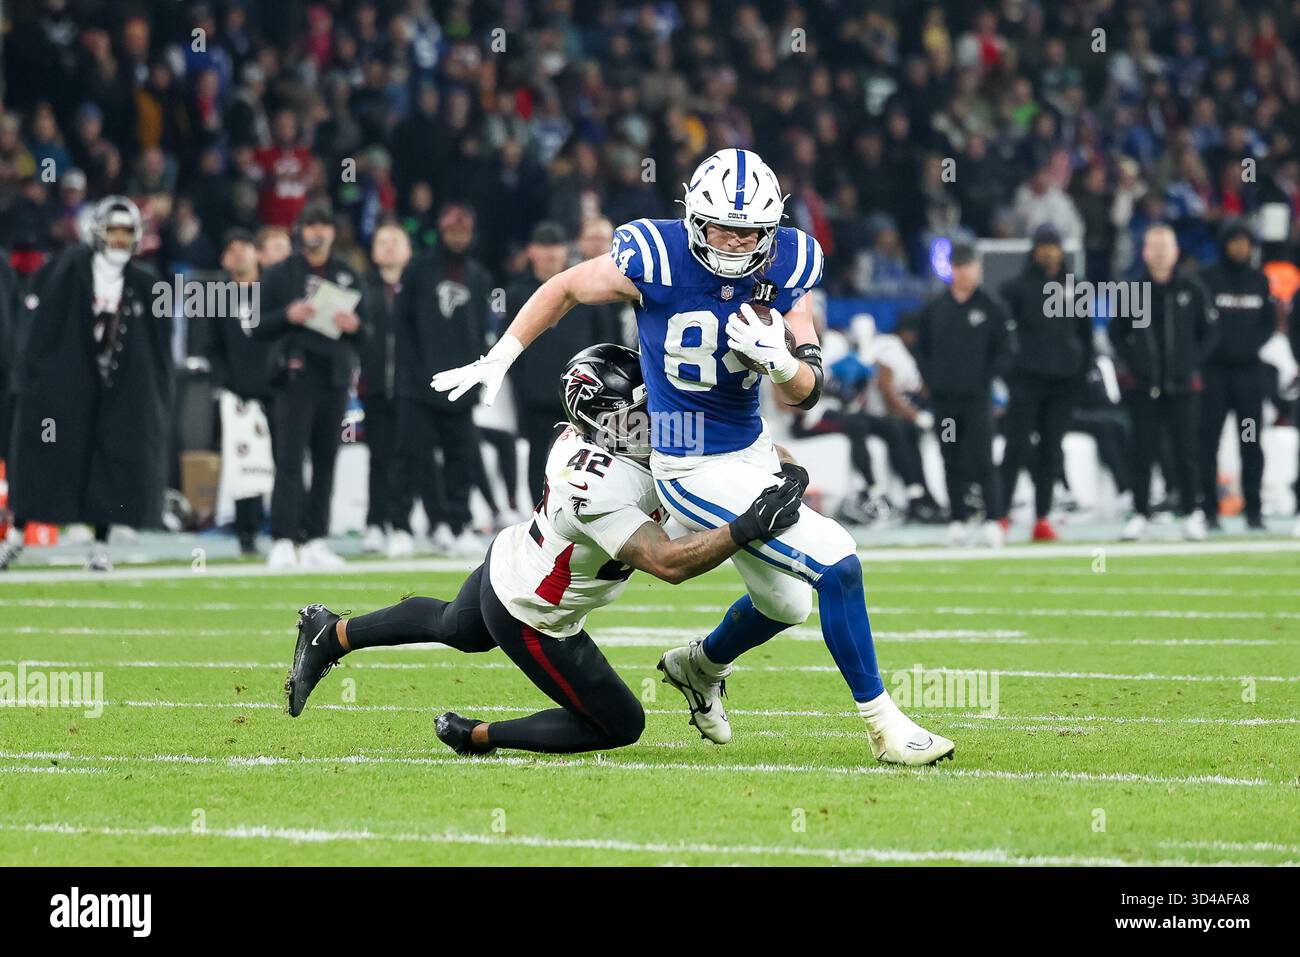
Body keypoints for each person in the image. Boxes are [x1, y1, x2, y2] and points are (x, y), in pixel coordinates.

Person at [433, 149, 954, 766]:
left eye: (749, 232)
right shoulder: (655, 254)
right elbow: (566, 286)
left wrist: (782, 363)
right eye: (722, 227)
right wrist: (503, 352)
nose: (735, 243)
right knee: (838, 561)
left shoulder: (791, 259)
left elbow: (806, 393)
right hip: (690, 464)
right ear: (694, 218)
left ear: (772, 228)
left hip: (749, 448)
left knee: (786, 604)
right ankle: (886, 727)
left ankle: (699, 665)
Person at [285, 344, 804, 756]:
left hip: (511, 559)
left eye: (651, 407)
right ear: (601, 419)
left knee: (455, 628)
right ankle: (477, 736)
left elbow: (737, 444)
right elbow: (667, 563)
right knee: (620, 724)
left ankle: (331, 633)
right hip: (533, 612)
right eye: (638, 413)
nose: (654, 419)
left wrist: (785, 466)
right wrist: (745, 527)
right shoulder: (594, 481)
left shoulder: (635, 433)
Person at [7, 197, 172, 571]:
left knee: (107, 465)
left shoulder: (145, 282)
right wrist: (34, 378)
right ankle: (15, 535)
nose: (119, 239)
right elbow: (39, 330)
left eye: (126, 232)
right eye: (113, 231)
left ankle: (100, 545)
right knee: (42, 456)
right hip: (66, 384)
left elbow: (158, 346)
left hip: (116, 386)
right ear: (98, 232)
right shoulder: (66, 269)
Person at [253, 200, 365, 568]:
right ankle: (284, 538)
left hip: (334, 377)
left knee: (325, 460)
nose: (317, 232)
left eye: (324, 225)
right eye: (311, 225)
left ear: (333, 232)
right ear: (299, 230)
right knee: (288, 458)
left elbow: (368, 331)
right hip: (294, 376)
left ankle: (315, 537)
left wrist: (355, 326)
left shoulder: (347, 274)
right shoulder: (280, 273)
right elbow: (257, 325)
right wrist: (287, 315)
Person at [392, 201, 494, 555]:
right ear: (441, 231)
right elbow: (402, 326)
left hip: (460, 386)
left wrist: (478, 377)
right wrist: (411, 375)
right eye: (452, 230)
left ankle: (456, 524)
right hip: (418, 385)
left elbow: (480, 333)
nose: (458, 237)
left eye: (464, 231)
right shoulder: (418, 270)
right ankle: (401, 526)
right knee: (411, 457)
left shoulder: (479, 277)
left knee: (461, 458)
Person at [1108, 224, 1218, 541]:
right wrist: (1133, 364)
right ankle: (1140, 512)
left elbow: (1210, 333)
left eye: (1165, 247)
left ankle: (1192, 512)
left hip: (1183, 387)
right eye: (1154, 247)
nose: (1159, 253)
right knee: (1142, 451)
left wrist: (1190, 363)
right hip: (1143, 387)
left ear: (1175, 252)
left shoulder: (1192, 289)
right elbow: (1117, 334)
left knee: (1186, 450)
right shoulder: (1132, 291)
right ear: (1144, 252)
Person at [997, 223, 1094, 541]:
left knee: (1052, 450)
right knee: (1016, 447)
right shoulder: (1015, 289)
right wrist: (1010, 372)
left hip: (1063, 383)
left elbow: (1086, 335)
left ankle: (1042, 517)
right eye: (1044, 246)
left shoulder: (1076, 288)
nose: (1050, 253)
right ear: (1034, 250)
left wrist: (1082, 374)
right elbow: (1002, 336)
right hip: (1026, 381)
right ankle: (1000, 515)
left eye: (1054, 246)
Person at [509, 221, 617, 502]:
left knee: (584, 458)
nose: (551, 253)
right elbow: (509, 346)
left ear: (565, 250)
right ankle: (539, 511)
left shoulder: (586, 289)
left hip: (582, 396)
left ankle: (581, 510)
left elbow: (605, 342)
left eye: (556, 246)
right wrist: (520, 391)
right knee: (537, 458)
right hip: (535, 395)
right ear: (531, 251)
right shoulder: (517, 293)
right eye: (544, 246)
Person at [914, 242, 1013, 548]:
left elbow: (1005, 351)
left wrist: (985, 379)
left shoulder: (991, 307)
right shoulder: (935, 309)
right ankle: (957, 519)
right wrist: (933, 380)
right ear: (952, 270)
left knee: (983, 457)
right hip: (945, 402)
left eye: (969, 266)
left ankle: (993, 519)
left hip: (977, 402)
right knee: (951, 456)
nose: (965, 272)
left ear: (977, 268)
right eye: (959, 266)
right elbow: (922, 350)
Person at [1197, 220, 1275, 531]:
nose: (1240, 248)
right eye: (1235, 242)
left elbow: (1269, 323)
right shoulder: (1207, 279)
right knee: (1208, 443)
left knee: (1250, 442)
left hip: (1247, 378)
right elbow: (1197, 324)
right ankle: (1209, 510)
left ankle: (1253, 510)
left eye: (1245, 243)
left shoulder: (1259, 280)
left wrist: (1249, 346)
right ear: (1224, 244)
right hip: (1214, 377)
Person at [206, 228, 274, 555]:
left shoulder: (273, 291)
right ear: (224, 259)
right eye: (231, 249)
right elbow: (211, 345)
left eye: (244, 247)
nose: (238, 254)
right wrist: (227, 383)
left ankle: (287, 528)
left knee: (282, 460)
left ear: (256, 252)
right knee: (243, 463)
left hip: (275, 390)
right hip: (237, 395)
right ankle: (246, 531)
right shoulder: (218, 297)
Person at [356, 222, 410, 555]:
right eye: (382, 241)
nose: (388, 246)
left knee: (406, 458)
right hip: (374, 387)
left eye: (395, 240)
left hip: (409, 388)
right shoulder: (363, 290)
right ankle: (375, 523)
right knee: (378, 458)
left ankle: (401, 523)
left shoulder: (417, 289)